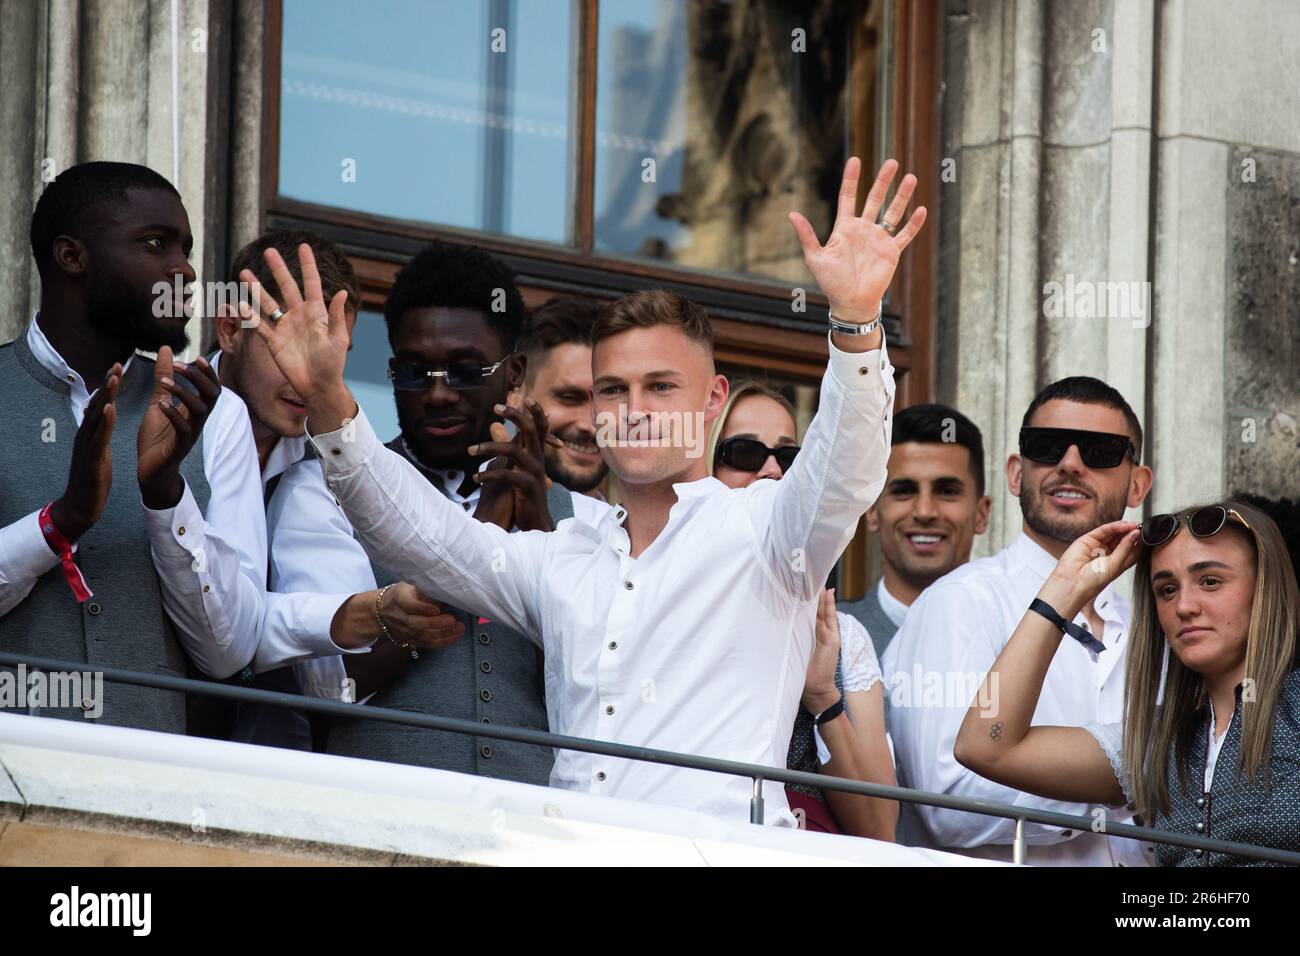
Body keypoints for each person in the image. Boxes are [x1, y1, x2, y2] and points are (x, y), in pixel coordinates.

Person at [246, 155, 925, 823]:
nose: (634, 409)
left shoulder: (770, 530)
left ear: (713, 398)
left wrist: (857, 321)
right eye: (612, 389)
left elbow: (849, 467)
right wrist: (332, 398)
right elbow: (422, 535)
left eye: (661, 387)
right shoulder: (565, 552)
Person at [272, 241, 574, 782]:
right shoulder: (320, 488)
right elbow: (331, 686)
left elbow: (595, 696)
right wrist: (485, 525)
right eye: (414, 372)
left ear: (514, 374)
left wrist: (539, 530)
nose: (437, 395)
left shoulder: (584, 518)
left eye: (465, 371)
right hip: (382, 824)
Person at [0, 161, 263, 731]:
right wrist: (60, 523)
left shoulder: (216, 415)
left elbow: (231, 650)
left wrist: (167, 494)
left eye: (186, 248)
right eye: (155, 244)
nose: (186, 270)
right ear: (72, 258)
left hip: (150, 798)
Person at [205, 230, 461, 749]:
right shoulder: (150, 421)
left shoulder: (335, 466)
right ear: (230, 329)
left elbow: (332, 683)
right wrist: (360, 613)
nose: (310, 377)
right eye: (290, 347)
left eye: (332, 352)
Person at [883, 377, 1154, 864]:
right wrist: (1127, 782)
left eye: (1100, 451)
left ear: (1137, 484)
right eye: (1046, 447)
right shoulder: (959, 602)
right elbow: (949, 804)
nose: (1070, 463)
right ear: (1015, 473)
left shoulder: (1156, 630)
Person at [954, 502, 1300, 866]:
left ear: (1267, 588)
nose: (1184, 605)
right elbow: (985, 746)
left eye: (1210, 581)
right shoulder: (1159, 745)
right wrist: (1064, 592)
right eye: (1166, 589)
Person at [706, 380, 896, 838]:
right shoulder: (663, 603)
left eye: (789, 457)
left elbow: (881, 831)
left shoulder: (843, 635)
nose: (772, 470)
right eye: (745, 453)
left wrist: (822, 700)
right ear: (705, 469)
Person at [839, 403, 990, 660]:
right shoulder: (825, 638)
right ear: (872, 511)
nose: (924, 511)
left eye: (946, 491)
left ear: (981, 514)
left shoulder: (1021, 637)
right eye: (903, 491)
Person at [516, 296, 610, 507]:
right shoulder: (459, 523)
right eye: (569, 398)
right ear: (516, 393)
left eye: (607, 400)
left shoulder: (640, 538)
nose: (591, 426)